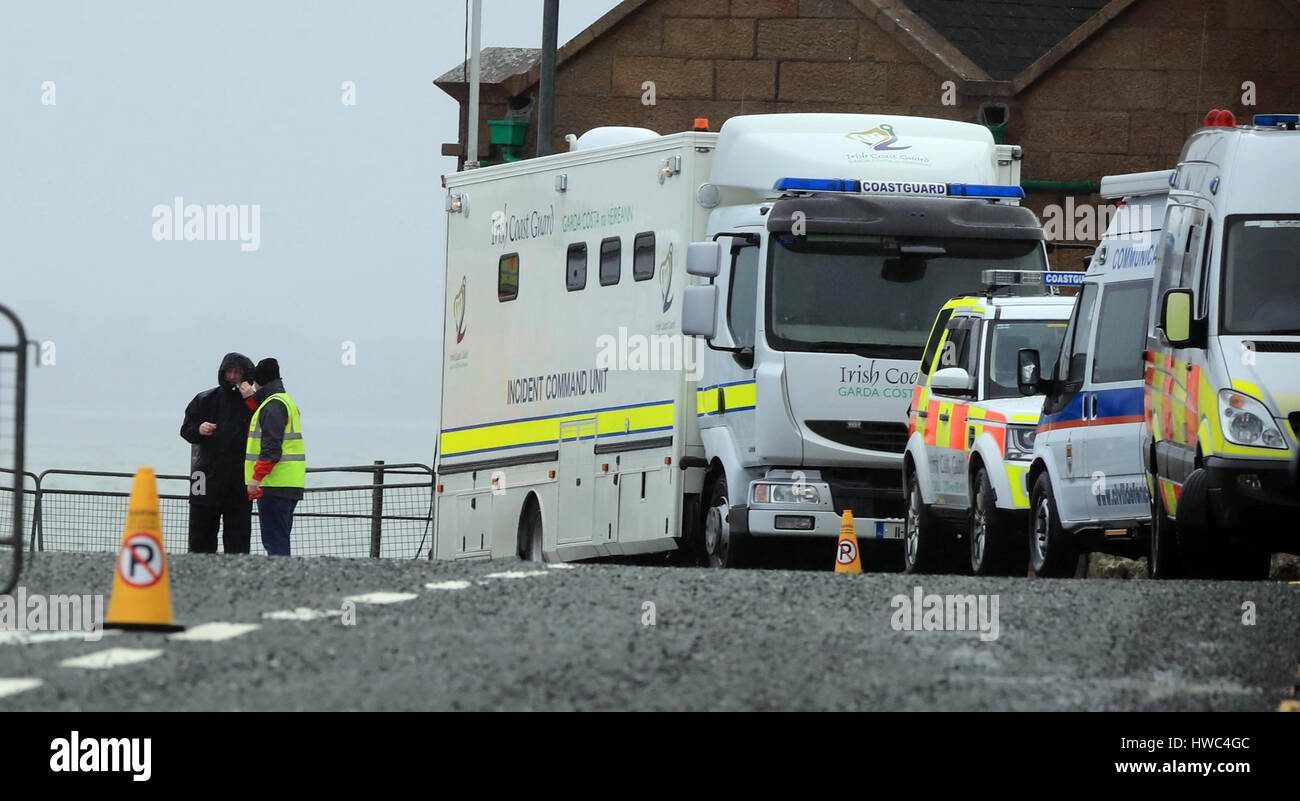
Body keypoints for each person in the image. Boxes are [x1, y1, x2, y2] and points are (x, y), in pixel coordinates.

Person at [180, 352, 256, 554]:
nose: (232, 377)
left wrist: (250, 399)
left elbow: (264, 429)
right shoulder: (205, 398)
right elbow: (185, 430)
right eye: (228, 372)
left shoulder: (255, 403)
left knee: (238, 540)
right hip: (203, 475)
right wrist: (199, 429)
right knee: (199, 537)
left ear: (246, 375)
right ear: (221, 373)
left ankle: (237, 578)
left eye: (237, 373)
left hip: (239, 479)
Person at [240, 358, 305, 556]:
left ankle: (282, 581)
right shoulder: (283, 401)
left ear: (257, 381)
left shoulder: (272, 406)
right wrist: (252, 398)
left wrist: (256, 478)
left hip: (274, 483)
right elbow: (268, 416)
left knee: (274, 540)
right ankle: (286, 579)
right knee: (280, 536)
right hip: (289, 482)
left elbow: (271, 448)